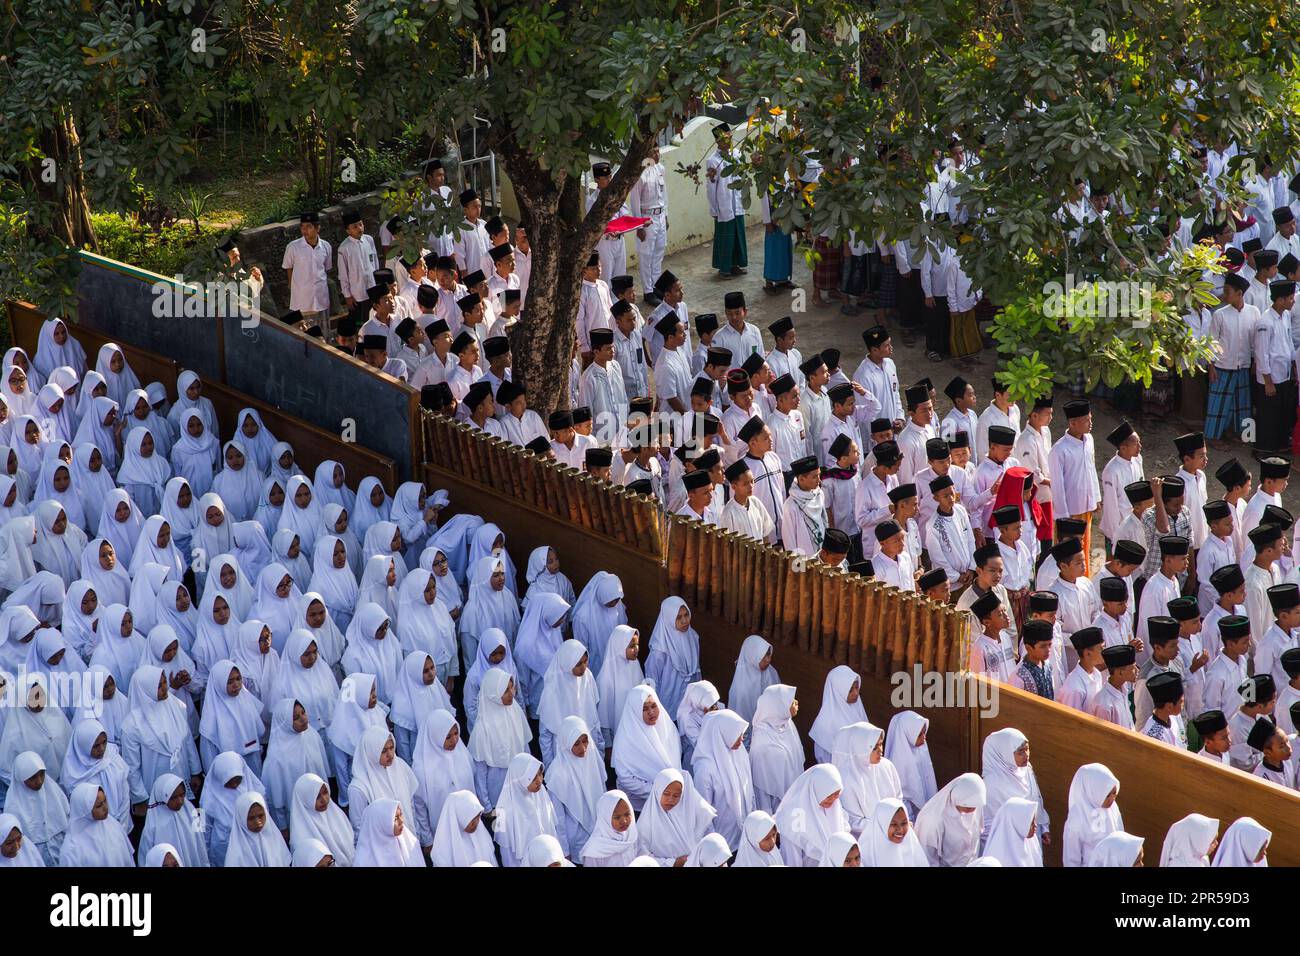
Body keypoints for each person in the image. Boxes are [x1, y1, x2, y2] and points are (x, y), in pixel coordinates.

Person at [773, 764, 849, 866]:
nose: (833, 799)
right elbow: (792, 862)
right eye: (828, 795)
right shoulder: (793, 819)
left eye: (837, 794)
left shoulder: (835, 807)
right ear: (816, 790)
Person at [913, 772, 985, 867]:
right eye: (968, 807)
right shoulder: (932, 819)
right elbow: (928, 857)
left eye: (975, 806)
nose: (973, 810)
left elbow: (975, 842)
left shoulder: (974, 806)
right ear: (956, 797)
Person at [705, 123, 747, 278]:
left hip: (737, 202)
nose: (729, 141)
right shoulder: (713, 161)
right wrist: (714, 209)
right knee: (725, 236)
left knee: (737, 235)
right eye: (725, 138)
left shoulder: (736, 154)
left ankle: (736, 264)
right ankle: (724, 268)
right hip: (724, 205)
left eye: (730, 137)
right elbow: (711, 188)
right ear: (717, 141)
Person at [280, 212, 332, 323]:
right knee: (303, 329)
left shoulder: (326, 246)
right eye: (302, 227)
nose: (305, 230)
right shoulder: (293, 247)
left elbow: (326, 268)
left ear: (317, 228)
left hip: (321, 296)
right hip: (302, 296)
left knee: (323, 330)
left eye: (309, 227)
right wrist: (291, 284)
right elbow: (288, 267)